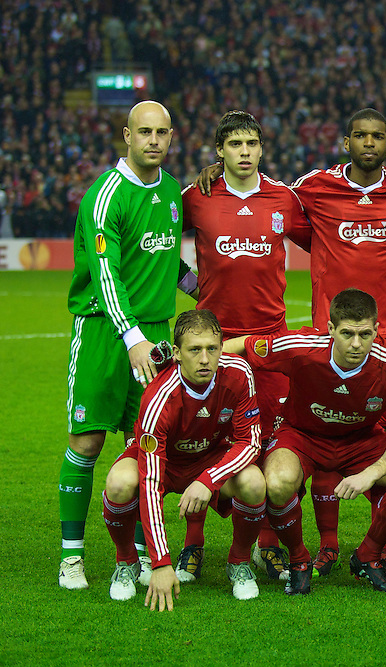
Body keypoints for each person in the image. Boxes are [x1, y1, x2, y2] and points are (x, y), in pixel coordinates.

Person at [198, 108, 386, 578]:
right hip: (328, 336)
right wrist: (219, 174)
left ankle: (374, 546)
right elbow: (265, 202)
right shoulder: (310, 188)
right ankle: (308, 543)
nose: (370, 143)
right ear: (346, 142)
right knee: (316, 431)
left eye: (378, 137)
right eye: (361, 136)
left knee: (380, 442)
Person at [60, 100, 197, 590]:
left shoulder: (173, 195)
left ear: (171, 136)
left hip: (158, 334)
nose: (154, 141)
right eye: (145, 132)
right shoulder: (105, 196)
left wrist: (208, 291)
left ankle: (142, 553)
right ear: (127, 135)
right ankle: (71, 557)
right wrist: (132, 335)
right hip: (104, 332)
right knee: (88, 441)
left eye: (162, 132)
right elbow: (106, 274)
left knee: (146, 447)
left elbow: (168, 265)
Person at [179, 110, 310, 583]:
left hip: (269, 340)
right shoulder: (196, 197)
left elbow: (323, 242)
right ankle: (192, 545)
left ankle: (266, 545)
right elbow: (157, 248)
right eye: (235, 144)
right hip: (210, 342)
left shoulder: (284, 199)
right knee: (206, 439)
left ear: (261, 148)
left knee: (271, 441)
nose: (245, 152)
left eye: (252, 143)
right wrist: (194, 286)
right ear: (220, 150)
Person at [225, 288, 386, 595]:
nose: (356, 344)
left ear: (377, 329)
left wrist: (371, 474)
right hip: (302, 436)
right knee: (277, 482)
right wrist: (195, 360)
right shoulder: (300, 347)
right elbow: (240, 346)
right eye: (347, 333)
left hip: (362, 440)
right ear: (331, 330)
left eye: (365, 334)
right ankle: (300, 560)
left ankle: (368, 554)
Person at [101, 310, 265, 610]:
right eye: (194, 350)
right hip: (165, 463)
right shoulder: (158, 396)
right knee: (119, 483)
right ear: (176, 353)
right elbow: (150, 482)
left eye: (212, 349)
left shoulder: (239, 374)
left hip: (210, 458)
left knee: (254, 482)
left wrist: (208, 480)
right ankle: (127, 561)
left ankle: (239, 562)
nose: (205, 359)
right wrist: (161, 563)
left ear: (221, 346)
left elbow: (250, 441)